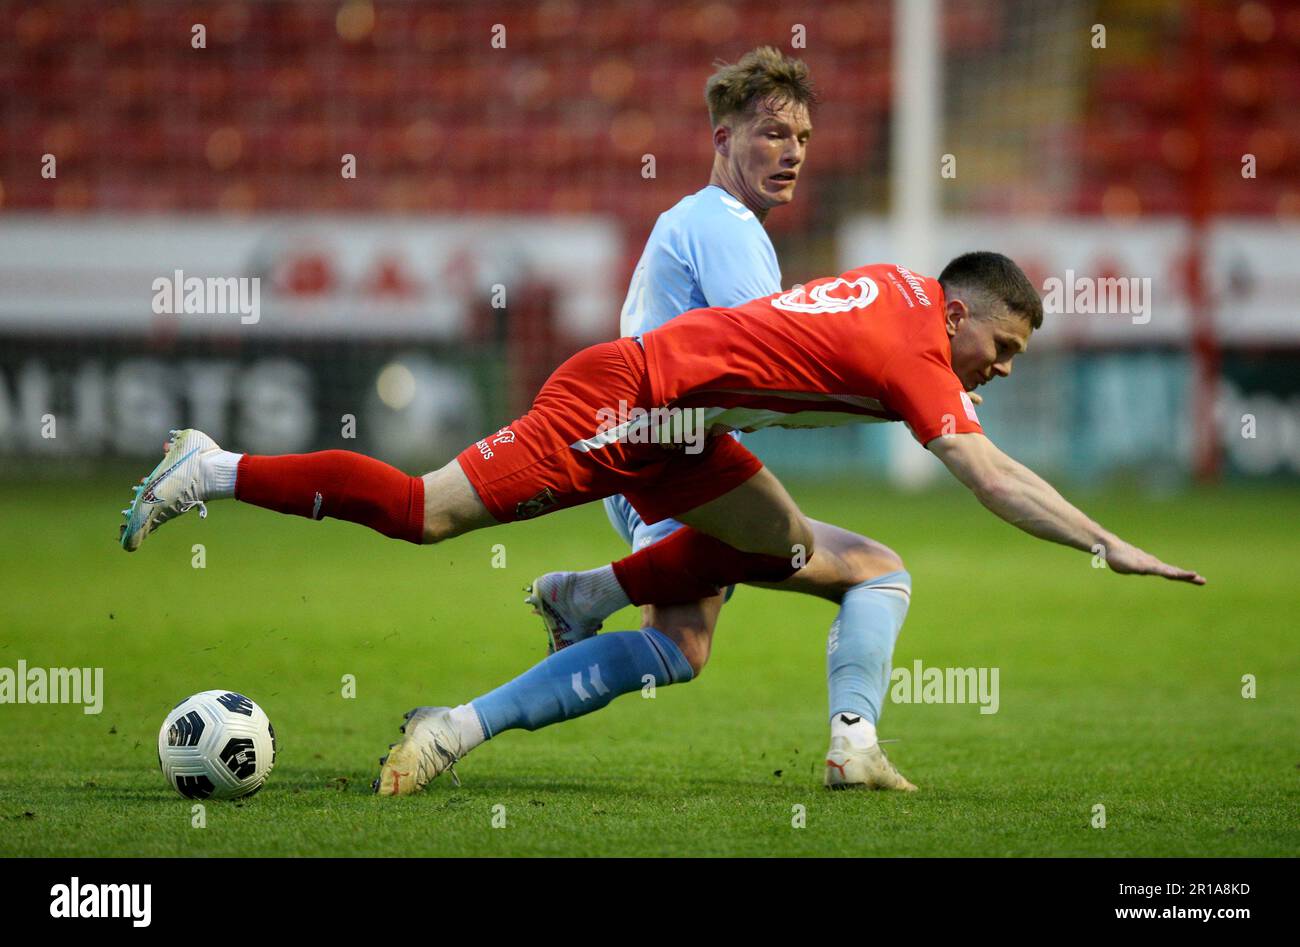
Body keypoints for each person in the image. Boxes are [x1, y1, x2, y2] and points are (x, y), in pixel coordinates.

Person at [117, 252, 1205, 797]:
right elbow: (989, 473)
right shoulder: (913, 346)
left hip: (683, 426)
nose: (1001, 370)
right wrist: (1105, 539)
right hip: (623, 405)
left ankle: (593, 597)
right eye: (1001, 347)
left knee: (782, 542)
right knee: (422, 510)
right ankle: (214, 465)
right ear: (959, 309)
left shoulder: (899, 293)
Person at [523, 46, 923, 792]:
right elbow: (779, 369)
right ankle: (476, 704)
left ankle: (574, 604)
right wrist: (901, 395)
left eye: (802, 138)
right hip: (678, 465)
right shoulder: (725, 226)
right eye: (771, 133)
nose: (792, 152)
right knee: (869, 573)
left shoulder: (711, 223)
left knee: (683, 643)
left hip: (660, 459)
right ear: (721, 139)